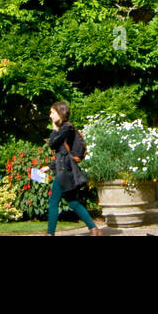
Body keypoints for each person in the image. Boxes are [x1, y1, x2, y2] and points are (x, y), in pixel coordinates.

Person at [46, 101, 102, 236]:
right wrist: (49, 167)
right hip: (65, 170)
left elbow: (53, 144)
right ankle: (94, 230)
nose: (50, 116)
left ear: (60, 113)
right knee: (73, 202)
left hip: (64, 172)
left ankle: (50, 233)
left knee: (53, 202)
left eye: (52, 112)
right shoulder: (66, 129)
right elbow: (63, 154)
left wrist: (54, 128)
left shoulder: (67, 128)